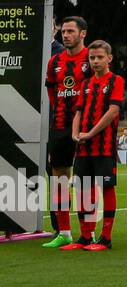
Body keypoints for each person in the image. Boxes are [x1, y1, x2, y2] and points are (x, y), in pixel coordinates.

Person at [61, 41, 124, 251]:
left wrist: (90, 133)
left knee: (106, 188)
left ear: (109, 58)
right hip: (84, 147)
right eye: (92, 58)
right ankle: (85, 237)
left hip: (103, 147)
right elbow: (78, 112)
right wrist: (74, 134)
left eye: (99, 57)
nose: (95, 61)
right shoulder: (85, 84)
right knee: (82, 189)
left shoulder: (116, 80)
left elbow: (113, 111)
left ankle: (105, 238)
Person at [41, 16, 91, 248]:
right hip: (59, 124)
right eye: (64, 31)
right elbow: (52, 91)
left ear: (83, 34)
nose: (66, 35)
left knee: (86, 178)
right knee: (59, 177)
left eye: (71, 31)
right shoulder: (55, 62)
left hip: (85, 125)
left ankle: (88, 233)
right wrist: (60, 112)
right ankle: (64, 232)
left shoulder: (91, 58)